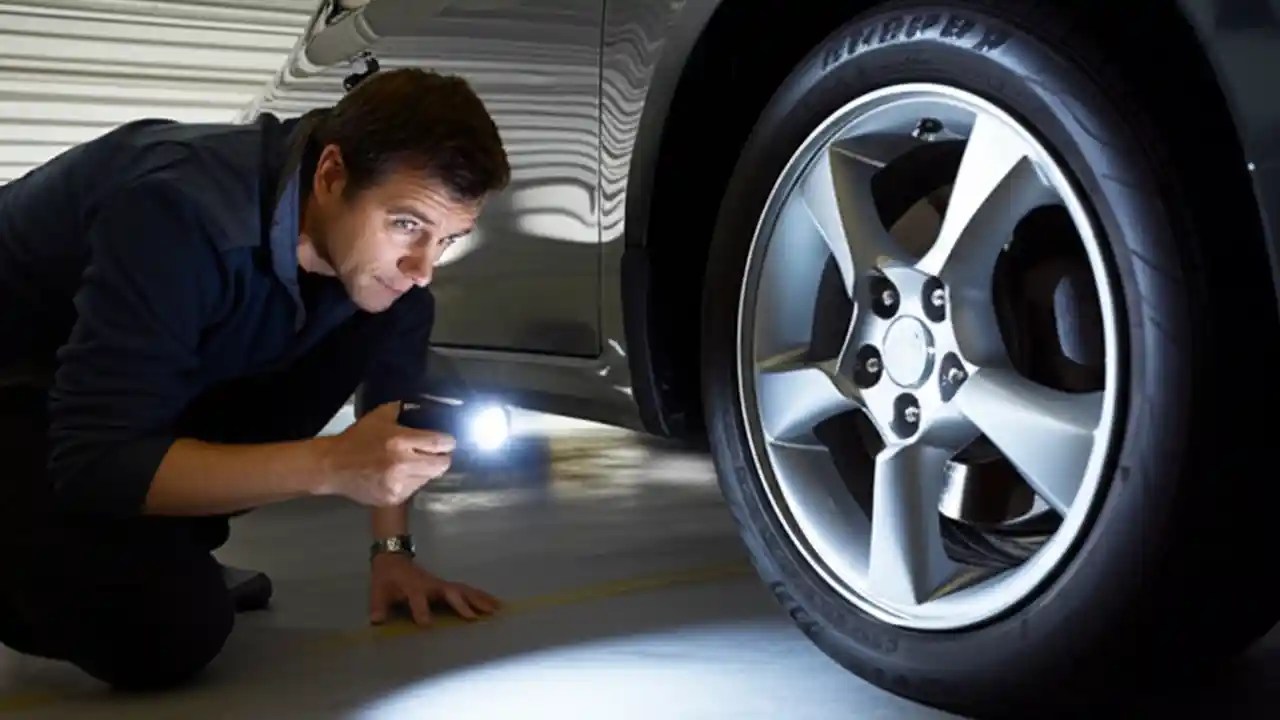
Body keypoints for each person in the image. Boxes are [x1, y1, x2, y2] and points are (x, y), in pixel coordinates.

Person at [0, 67, 512, 691]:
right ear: (331, 175)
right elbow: (95, 460)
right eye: (406, 223)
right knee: (160, 630)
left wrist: (394, 557)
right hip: (16, 371)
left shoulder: (392, 281)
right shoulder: (180, 213)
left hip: (95, 388)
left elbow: (390, 419)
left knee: (363, 316)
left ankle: (151, 540)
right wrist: (327, 464)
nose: (424, 266)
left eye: (448, 239)